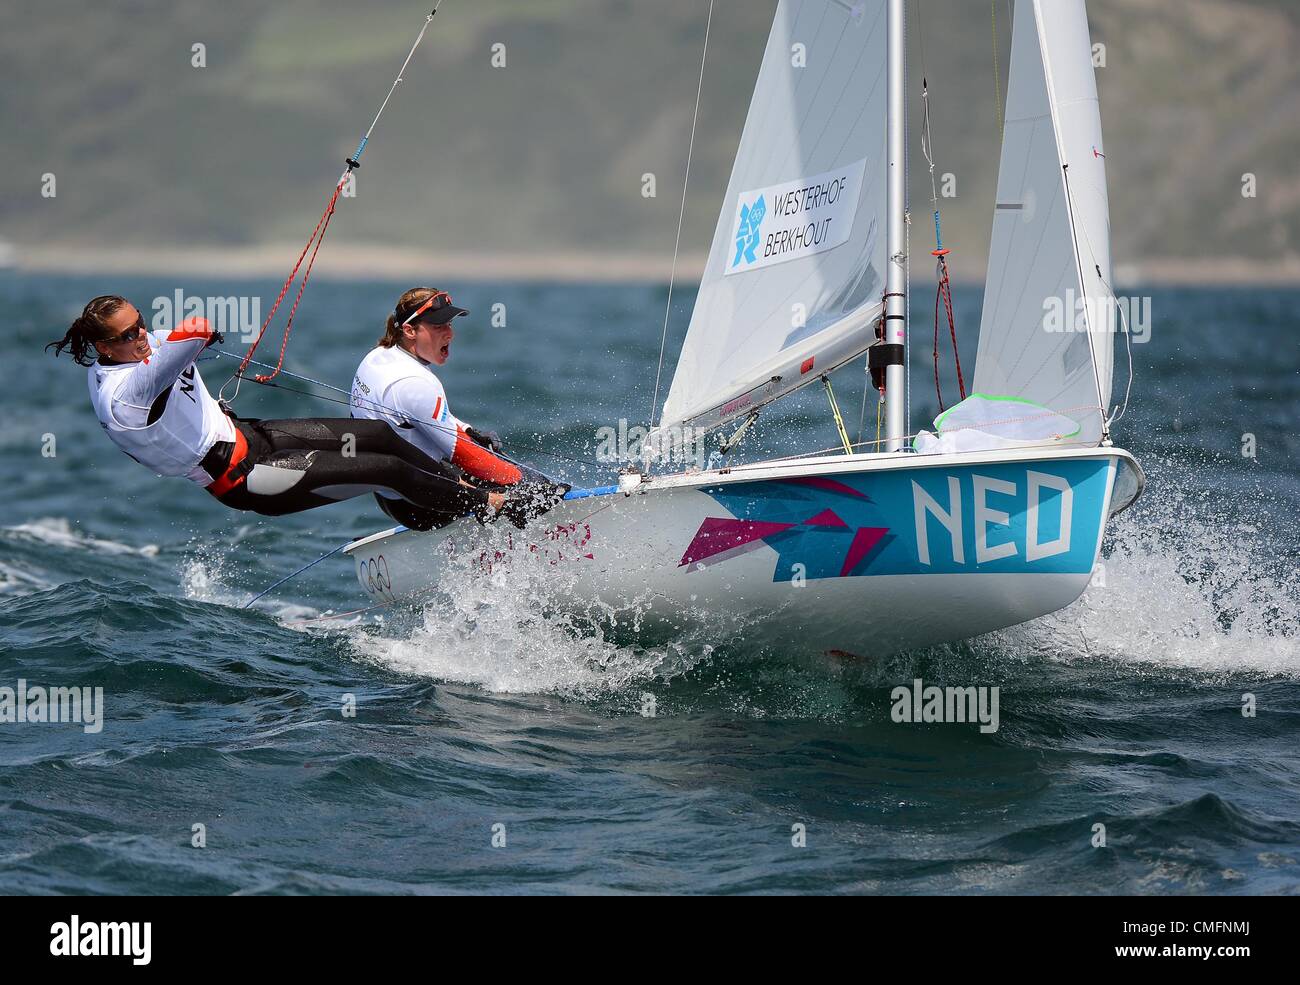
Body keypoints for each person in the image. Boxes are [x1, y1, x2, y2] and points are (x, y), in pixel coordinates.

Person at [46, 294, 517, 523]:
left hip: (252, 439)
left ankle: (457, 488)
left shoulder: (139, 351)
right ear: (104, 348)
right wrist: (199, 336)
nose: (142, 338)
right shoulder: (124, 393)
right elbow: (190, 332)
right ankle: (494, 507)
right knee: (388, 468)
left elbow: (178, 340)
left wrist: (194, 338)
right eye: (128, 336)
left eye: (141, 326)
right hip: (247, 480)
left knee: (379, 436)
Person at [351, 287, 565, 530]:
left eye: (450, 324)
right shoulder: (414, 382)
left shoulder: (379, 356)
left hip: (390, 496)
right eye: (438, 327)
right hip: (421, 508)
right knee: (525, 484)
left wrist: (467, 429)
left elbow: (418, 416)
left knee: (496, 465)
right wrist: (524, 479)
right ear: (409, 330)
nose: (450, 334)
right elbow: (468, 458)